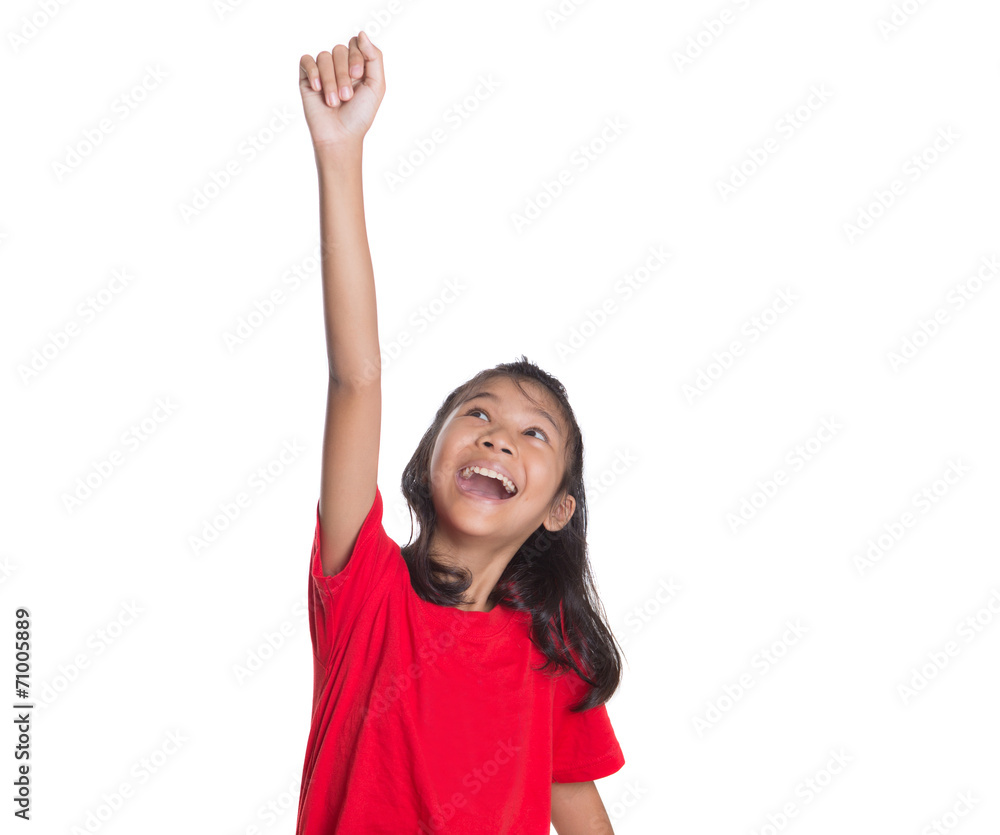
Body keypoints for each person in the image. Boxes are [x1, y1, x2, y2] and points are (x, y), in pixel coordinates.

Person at [294, 31, 626, 835]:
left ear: (559, 509)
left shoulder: (553, 655)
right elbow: (356, 378)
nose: (499, 437)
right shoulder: (366, 592)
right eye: (476, 414)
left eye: (533, 434)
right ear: (426, 459)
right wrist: (340, 154)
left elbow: (579, 809)